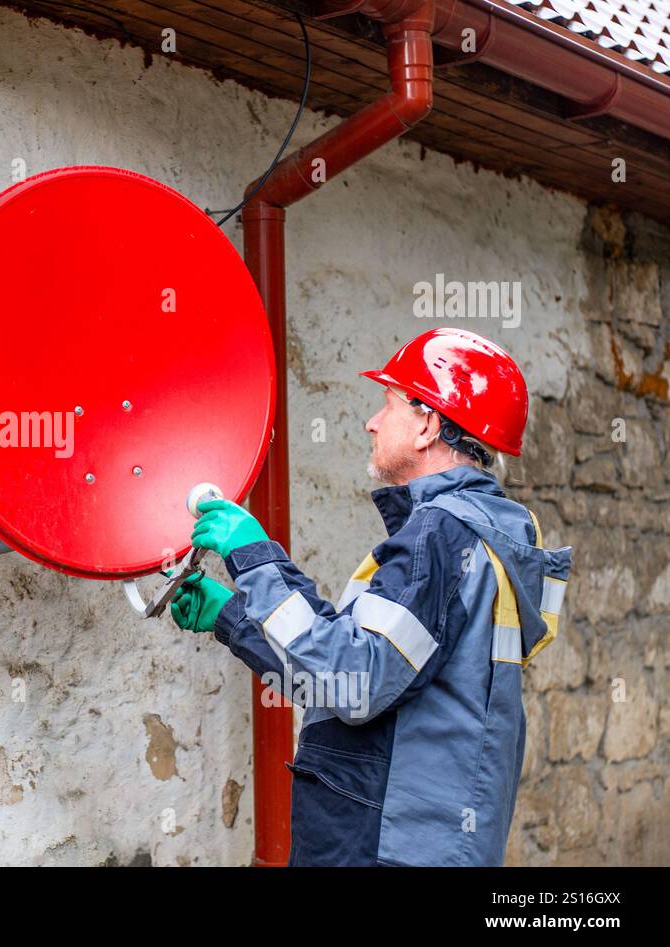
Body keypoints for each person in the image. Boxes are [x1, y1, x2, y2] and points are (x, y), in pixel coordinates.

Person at [172, 328, 572, 866]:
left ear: (428, 424)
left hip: (385, 846)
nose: (372, 422)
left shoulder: (442, 533)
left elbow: (353, 685)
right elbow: (359, 674)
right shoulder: (481, 537)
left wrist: (255, 558)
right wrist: (235, 616)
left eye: (387, 405)